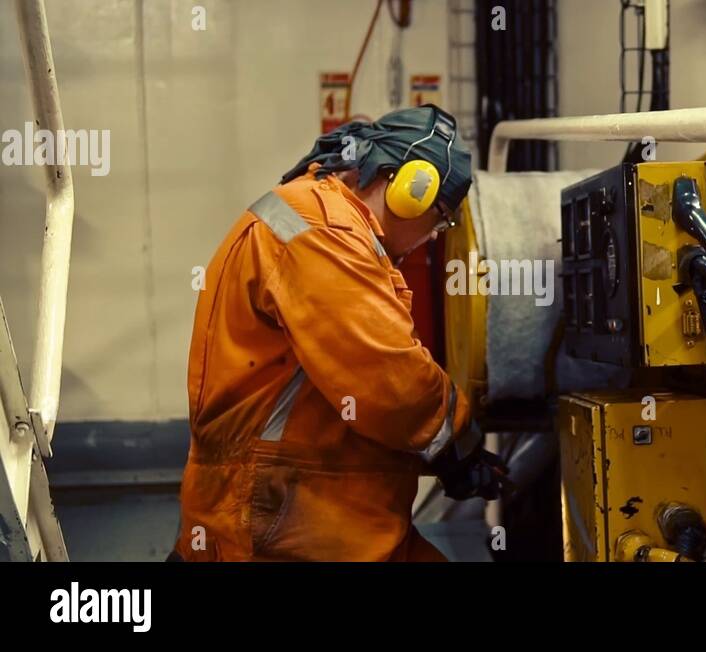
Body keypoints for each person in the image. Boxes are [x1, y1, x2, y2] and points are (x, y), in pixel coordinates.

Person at [171, 105, 506, 561]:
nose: (433, 236)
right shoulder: (323, 232)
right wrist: (458, 445)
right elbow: (387, 375)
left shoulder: (321, 217)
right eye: (440, 218)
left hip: (306, 503)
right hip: (280, 518)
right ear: (409, 191)